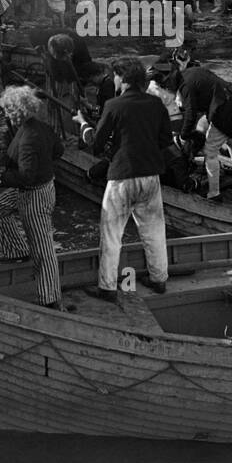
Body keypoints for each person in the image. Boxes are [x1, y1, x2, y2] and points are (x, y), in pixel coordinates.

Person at [75, 57, 173, 302]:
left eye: (116, 77)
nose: (114, 81)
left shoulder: (113, 105)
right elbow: (165, 141)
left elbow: (96, 146)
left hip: (121, 177)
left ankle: (107, 288)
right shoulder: (156, 104)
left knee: (111, 234)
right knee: (154, 232)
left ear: (122, 78)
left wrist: (83, 124)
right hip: (150, 176)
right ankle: (159, 279)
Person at [0, 85, 71, 310]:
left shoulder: (29, 138)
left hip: (35, 196)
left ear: (14, 112)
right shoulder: (41, 127)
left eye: (6, 110)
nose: (4, 114)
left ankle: (50, 298)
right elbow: (58, 151)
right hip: (39, 187)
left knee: (43, 250)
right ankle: (17, 251)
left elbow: (26, 177)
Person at [176, 63, 232, 200]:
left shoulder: (185, 85)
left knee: (210, 152)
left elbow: (190, 114)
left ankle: (214, 193)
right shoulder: (191, 73)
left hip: (224, 107)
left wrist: (183, 136)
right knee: (229, 138)